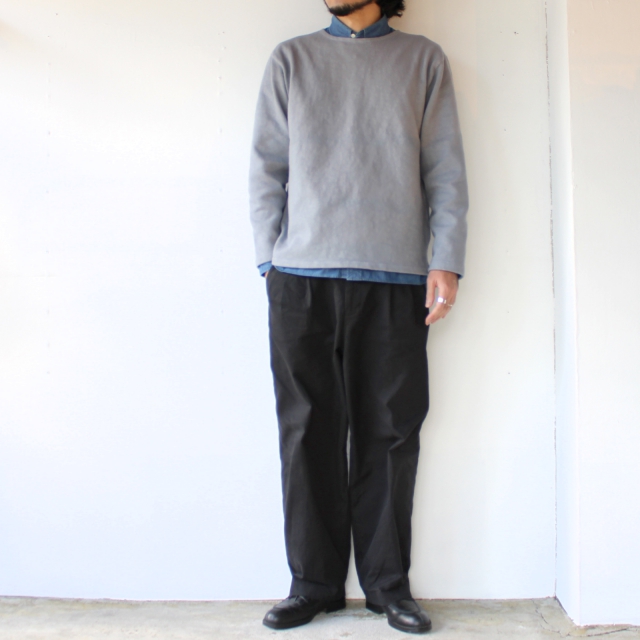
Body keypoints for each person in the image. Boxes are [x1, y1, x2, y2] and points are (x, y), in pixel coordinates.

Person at [248, 0, 468, 633]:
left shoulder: (422, 59)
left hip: (395, 278)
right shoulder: (292, 59)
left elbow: (445, 168)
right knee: (305, 432)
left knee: (392, 434)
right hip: (301, 279)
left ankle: (387, 587)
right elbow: (266, 165)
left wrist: (446, 260)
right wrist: (269, 260)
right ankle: (312, 585)